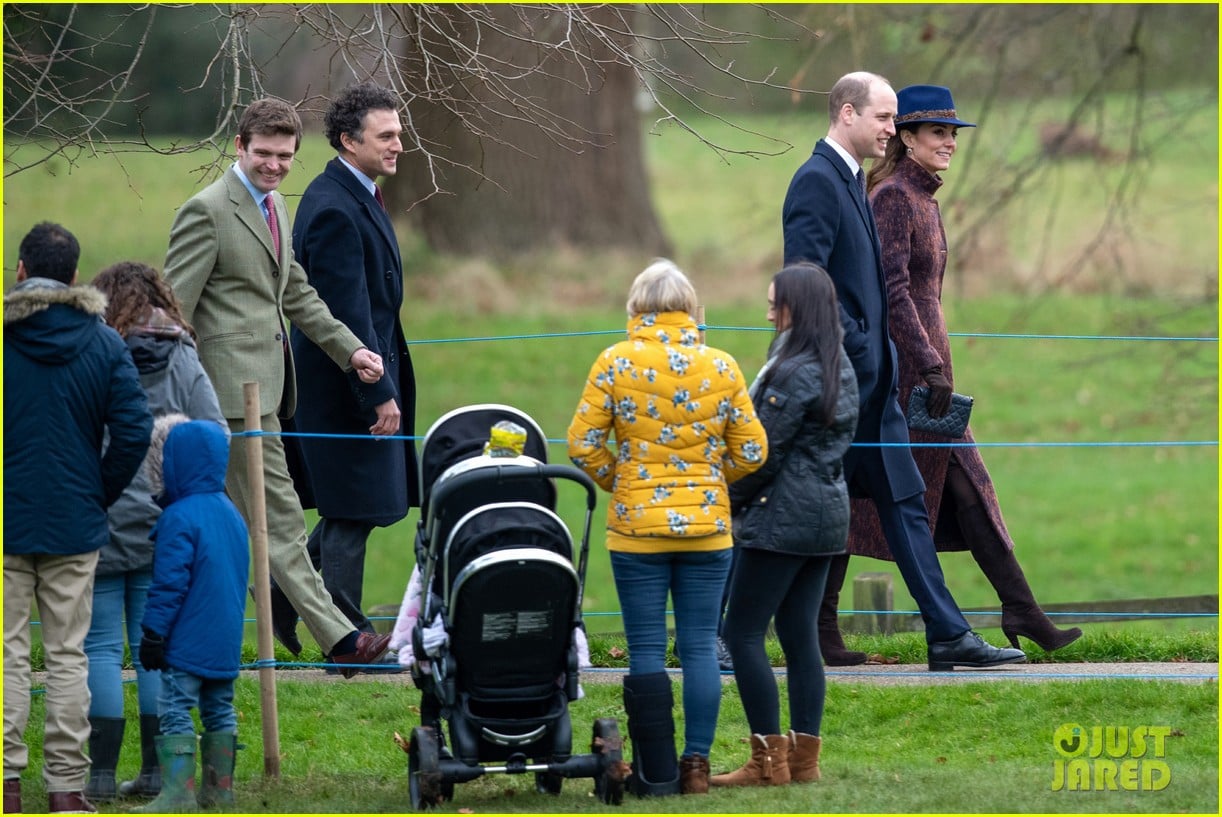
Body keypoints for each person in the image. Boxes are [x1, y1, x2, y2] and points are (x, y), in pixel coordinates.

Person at [821, 84, 1081, 657]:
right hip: (907, 378)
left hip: (929, 375)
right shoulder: (892, 197)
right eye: (937, 132)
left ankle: (1020, 608)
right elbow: (891, 293)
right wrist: (929, 365)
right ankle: (826, 629)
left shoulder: (921, 198)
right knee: (867, 489)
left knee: (950, 486)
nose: (948, 142)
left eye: (953, 133)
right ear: (907, 138)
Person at [781, 71, 1025, 671]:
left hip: (876, 383)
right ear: (846, 114)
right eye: (884, 119)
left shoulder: (855, 180)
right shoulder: (817, 181)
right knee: (788, 503)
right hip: (837, 384)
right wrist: (861, 349)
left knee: (906, 503)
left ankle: (947, 635)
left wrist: (884, 362)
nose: (891, 130)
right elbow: (804, 283)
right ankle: (716, 633)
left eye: (894, 120)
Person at [164, 96, 393, 676]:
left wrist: (352, 350)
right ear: (239, 146)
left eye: (285, 155)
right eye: (263, 153)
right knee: (281, 522)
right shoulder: (207, 211)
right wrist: (186, 402)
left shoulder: (275, 206)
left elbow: (296, 292)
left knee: (253, 525)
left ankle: (179, 642)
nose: (274, 164)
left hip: (268, 393)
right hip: (225, 401)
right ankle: (343, 639)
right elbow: (172, 314)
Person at [566, 259, 768, 796]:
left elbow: (583, 445)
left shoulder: (613, 362)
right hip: (708, 531)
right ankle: (696, 767)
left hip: (637, 533)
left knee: (647, 650)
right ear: (691, 310)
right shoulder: (722, 365)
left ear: (635, 309)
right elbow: (752, 449)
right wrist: (710, 481)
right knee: (702, 644)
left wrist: (623, 480)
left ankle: (655, 772)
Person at [4, 222, 153, 814]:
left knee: (7, 654)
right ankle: (67, 788)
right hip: (76, 521)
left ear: (20, 272)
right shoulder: (105, 343)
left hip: (5, 522)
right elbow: (135, 431)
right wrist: (99, 491)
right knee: (69, 655)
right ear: (73, 277)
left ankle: (5, 784)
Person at [269, 81, 420, 657]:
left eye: (399, 134)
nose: (398, 145)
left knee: (362, 507)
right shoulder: (333, 206)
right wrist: (378, 391)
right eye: (386, 136)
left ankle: (285, 595)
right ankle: (348, 639)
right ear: (347, 141)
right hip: (343, 389)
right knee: (353, 508)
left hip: (357, 381)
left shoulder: (353, 193)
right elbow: (345, 312)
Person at [83, 262, 226, 803]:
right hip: (166, 520)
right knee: (153, 647)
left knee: (98, 646)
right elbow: (213, 431)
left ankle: (96, 776)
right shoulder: (183, 354)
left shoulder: (93, 351)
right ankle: (151, 773)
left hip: (100, 510)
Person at [711, 263, 858, 788]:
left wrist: (725, 499)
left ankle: (765, 761)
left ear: (798, 307)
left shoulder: (793, 370)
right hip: (825, 518)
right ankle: (804, 762)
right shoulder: (838, 363)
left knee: (742, 632)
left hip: (781, 518)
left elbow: (759, 454)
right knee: (800, 638)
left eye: (777, 304)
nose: (769, 312)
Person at [134, 417, 249, 813]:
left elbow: (169, 584)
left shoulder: (178, 517)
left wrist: (153, 633)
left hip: (186, 636)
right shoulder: (232, 514)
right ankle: (220, 792)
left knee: (175, 706)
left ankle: (178, 794)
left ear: (172, 463)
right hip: (226, 636)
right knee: (219, 707)